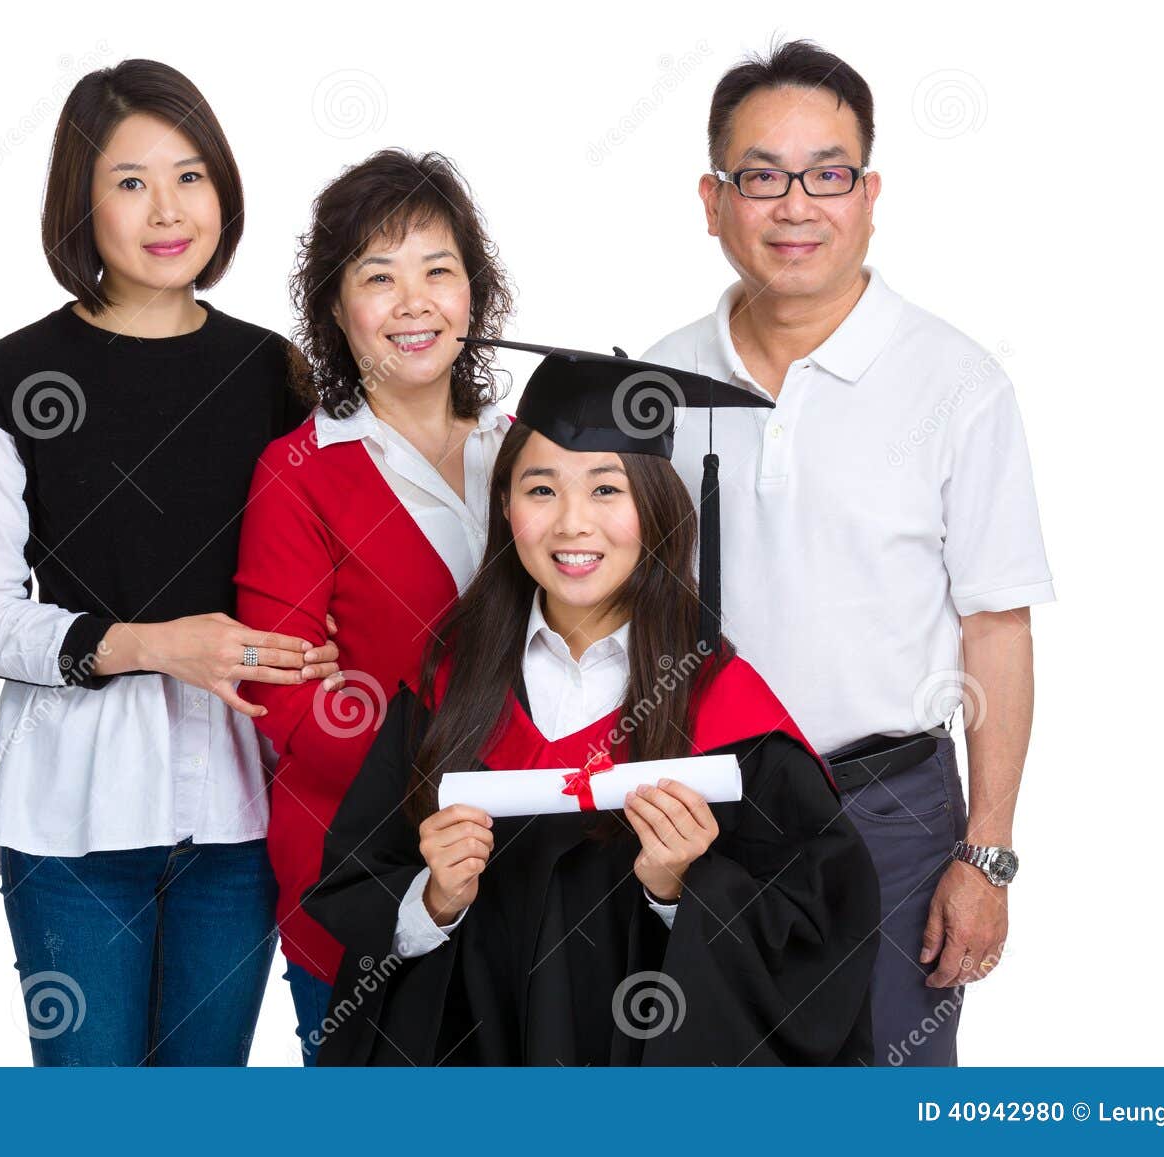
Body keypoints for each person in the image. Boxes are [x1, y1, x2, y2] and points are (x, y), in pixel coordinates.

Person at [643, 40, 1055, 1065]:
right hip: (702, 805)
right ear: (712, 201)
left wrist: (987, 854)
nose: (795, 206)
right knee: (709, 1089)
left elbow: (996, 628)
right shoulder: (654, 383)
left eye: (827, 175)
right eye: (761, 177)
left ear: (869, 195)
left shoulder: (957, 383)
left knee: (890, 1097)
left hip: (893, 808)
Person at [302, 340, 881, 1065]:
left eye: (607, 490)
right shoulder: (448, 693)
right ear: (505, 505)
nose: (572, 523)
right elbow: (356, 885)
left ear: (657, 509)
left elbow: (821, 932)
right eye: (541, 489)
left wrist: (686, 891)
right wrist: (432, 900)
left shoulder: (728, 712)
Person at [0, 59, 340, 1066]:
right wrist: (155, 645)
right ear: (80, 204)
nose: (168, 209)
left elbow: (323, 559)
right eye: (130, 181)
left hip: (241, 813)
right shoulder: (13, 377)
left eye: (190, 176)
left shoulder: (276, 373)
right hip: (71, 816)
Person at [233, 150, 515, 1064]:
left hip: (524, 871)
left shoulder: (529, 454)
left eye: (438, 270)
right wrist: (469, 779)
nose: (414, 302)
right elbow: (284, 697)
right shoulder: (300, 470)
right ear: (335, 307)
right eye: (378, 276)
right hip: (364, 875)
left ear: (474, 293)